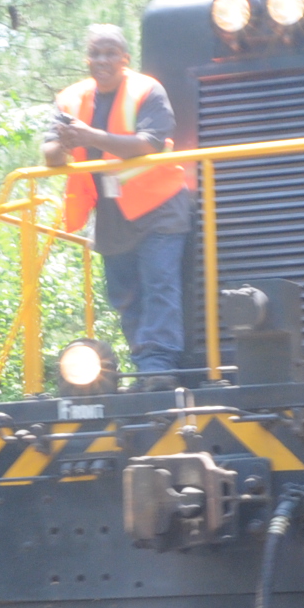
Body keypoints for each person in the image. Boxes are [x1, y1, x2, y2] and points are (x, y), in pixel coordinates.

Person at [42, 25, 193, 380]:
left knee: (159, 285)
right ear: (87, 59)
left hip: (160, 207)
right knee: (124, 294)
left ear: (125, 59)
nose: (102, 60)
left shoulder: (147, 90)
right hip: (112, 213)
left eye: (110, 53)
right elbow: (50, 154)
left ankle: (157, 367)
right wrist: (62, 143)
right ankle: (144, 359)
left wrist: (90, 135)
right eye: (96, 53)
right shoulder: (69, 100)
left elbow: (149, 143)